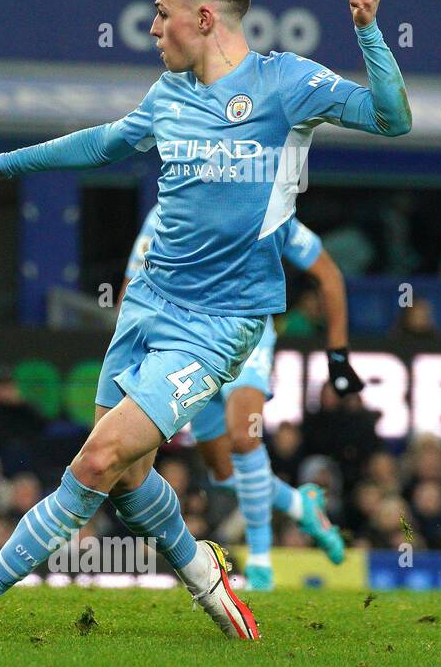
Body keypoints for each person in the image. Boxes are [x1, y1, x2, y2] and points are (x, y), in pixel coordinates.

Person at [0, 0, 410, 639]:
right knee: (124, 477)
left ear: (203, 19)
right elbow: (101, 144)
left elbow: (393, 120)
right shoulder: (168, 95)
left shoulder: (287, 83)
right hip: (147, 305)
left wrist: (368, 31)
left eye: (160, 14)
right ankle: (205, 572)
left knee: (93, 461)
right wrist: (0, 166)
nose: (151, 28)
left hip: (221, 322)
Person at [121, 208, 355, 588]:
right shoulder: (168, 210)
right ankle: (301, 506)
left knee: (245, 437)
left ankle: (261, 564)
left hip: (248, 332)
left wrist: (339, 353)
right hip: (191, 342)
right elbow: (133, 283)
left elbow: (328, 273)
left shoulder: (264, 208)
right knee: (223, 471)